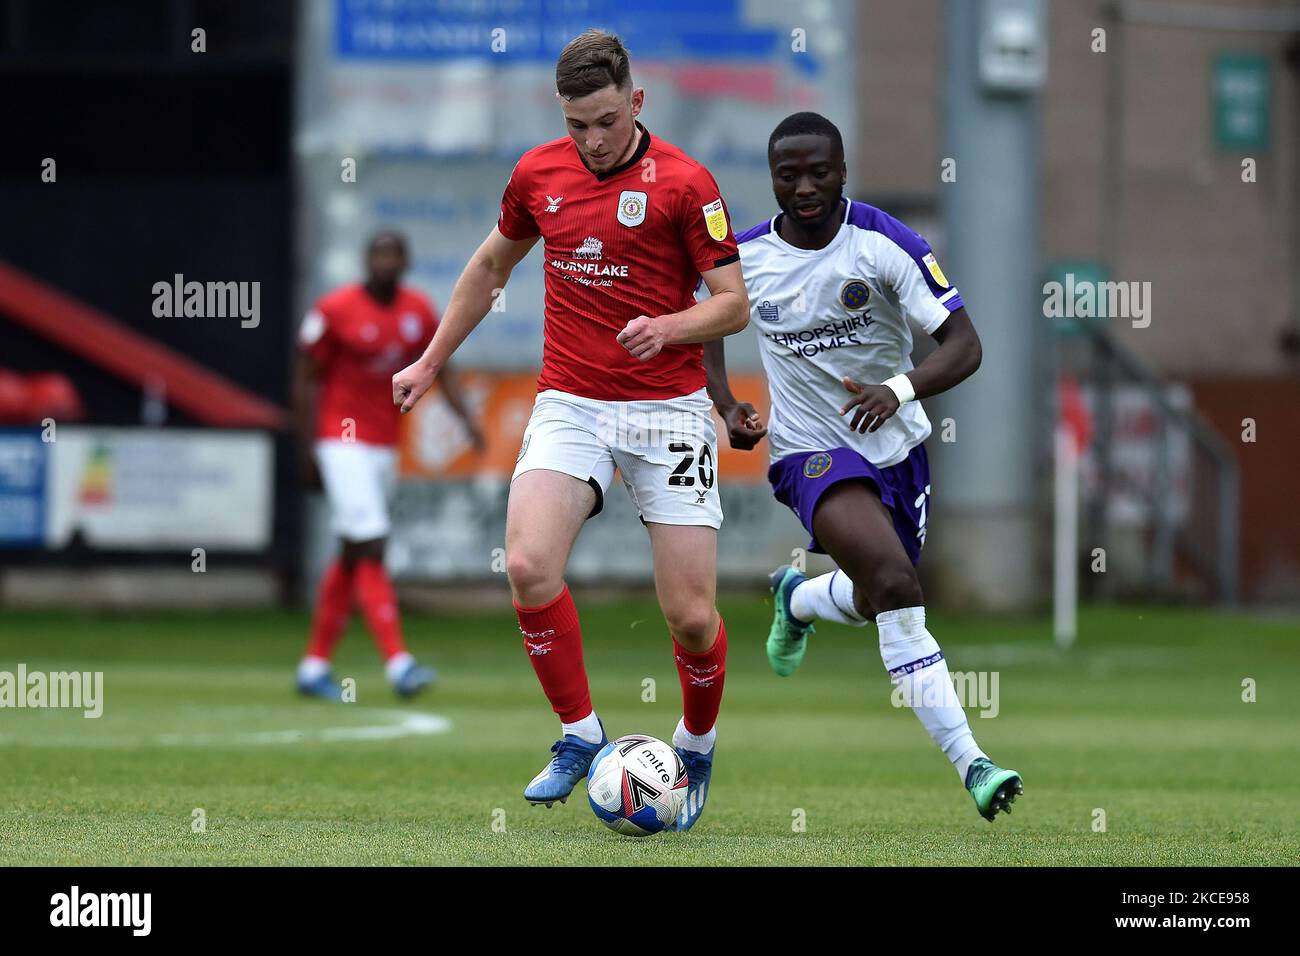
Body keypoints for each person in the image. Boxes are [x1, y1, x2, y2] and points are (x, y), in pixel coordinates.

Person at [391, 30, 749, 830]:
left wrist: (672, 326)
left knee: (691, 616)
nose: (593, 139)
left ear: (637, 102)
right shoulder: (538, 173)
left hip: (669, 410)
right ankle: (580, 734)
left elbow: (733, 302)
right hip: (573, 403)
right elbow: (490, 270)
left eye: (608, 120)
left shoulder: (688, 186)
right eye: (578, 122)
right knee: (525, 563)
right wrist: (428, 361)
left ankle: (696, 744)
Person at [704, 112, 1024, 821]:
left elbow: (964, 344)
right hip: (808, 454)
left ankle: (797, 599)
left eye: (820, 171)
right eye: (790, 174)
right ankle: (974, 762)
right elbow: (710, 323)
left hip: (898, 447)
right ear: (774, 179)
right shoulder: (748, 258)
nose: (806, 186)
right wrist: (727, 405)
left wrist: (899, 389)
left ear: (843, 170)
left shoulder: (883, 244)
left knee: (882, 590)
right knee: (895, 583)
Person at [295, 230, 483, 700]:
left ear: (404, 262)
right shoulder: (334, 310)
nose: (384, 262)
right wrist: (306, 449)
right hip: (341, 440)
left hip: (383, 444)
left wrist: (468, 421)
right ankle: (399, 663)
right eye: (377, 254)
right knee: (374, 542)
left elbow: (441, 368)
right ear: (366, 260)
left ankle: (314, 665)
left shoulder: (417, 311)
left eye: (393, 255)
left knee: (353, 548)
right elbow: (304, 378)